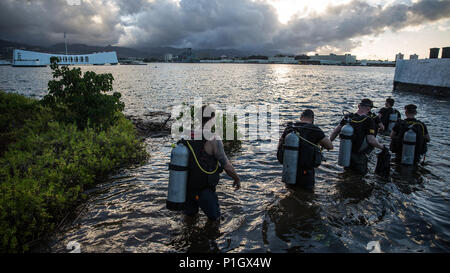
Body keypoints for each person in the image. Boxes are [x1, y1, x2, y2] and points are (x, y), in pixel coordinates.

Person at [183, 105, 240, 221]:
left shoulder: (188, 135)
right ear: (212, 119)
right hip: (204, 190)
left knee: (189, 219)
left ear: (198, 119)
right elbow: (227, 166)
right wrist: (237, 179)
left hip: (187, 188)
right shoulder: (214, 139)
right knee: (215, 220)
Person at [277, 109, 333, 189]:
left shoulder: (290, 128)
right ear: (312, 118)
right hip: (306, 173)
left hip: (289, 169)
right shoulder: (315, 130)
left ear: (301, 117)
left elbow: (280, 145)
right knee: (308, 195)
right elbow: (330, 146)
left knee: (290, 190)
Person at [330, 99, 386, 175]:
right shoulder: (369, 120)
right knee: (359, 177)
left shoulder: (348, 117)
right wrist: (382, 147)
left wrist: (328, 144)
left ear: (358, 106)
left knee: (346, 174)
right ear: (369, 109)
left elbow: (336, 131)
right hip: (360, 156)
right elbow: (371, 140)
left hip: (346, 153)